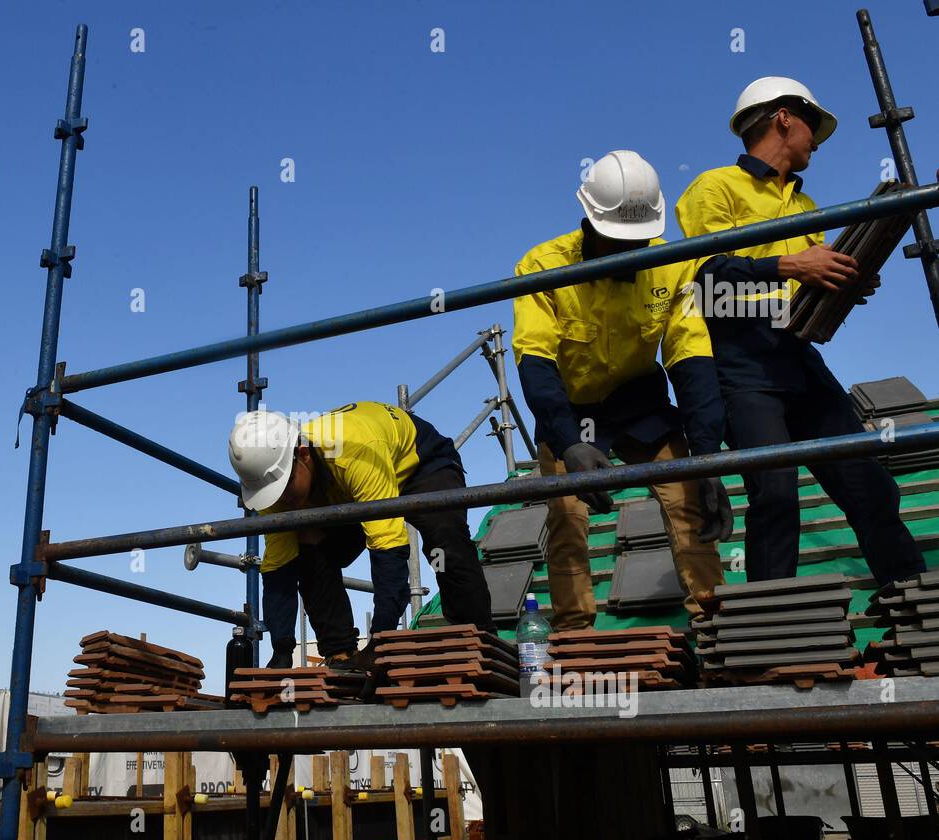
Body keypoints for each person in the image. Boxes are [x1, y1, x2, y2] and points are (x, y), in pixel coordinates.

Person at [675, 77, 925, 585]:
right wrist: (792, 266)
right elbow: (704, 274)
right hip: (742, 362)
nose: (817, 140)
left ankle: (910, 610)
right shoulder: (714, 187)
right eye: (813, 125)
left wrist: (843, 282)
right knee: (775, 494)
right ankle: (774, 640)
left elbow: (802, 282)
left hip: (799, 357)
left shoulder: (806, 208)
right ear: (784, 116)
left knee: (869, 484)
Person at [512, 149, 731, 631]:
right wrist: (569, 443)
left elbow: (690, 361)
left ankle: (715, 627)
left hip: (640, 403)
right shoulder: (541, 265)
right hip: (570, 410)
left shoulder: (671, 265)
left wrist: (709, 457)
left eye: (638, 241)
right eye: (616, 240)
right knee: (567, 520)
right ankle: (576, 636)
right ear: (589, 221)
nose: (627, 252)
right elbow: (535, 360)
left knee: (687, 502)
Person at [228, 402, 494, 670]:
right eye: (273, 494)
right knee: (309, 544)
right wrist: (282, 647)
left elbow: (388, 550)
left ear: (303, 454)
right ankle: (339, 652)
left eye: (284, 490)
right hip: (348, 489)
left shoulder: (355, 451)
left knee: (443, 545)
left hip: (420, 463)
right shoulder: (273, 489)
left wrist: (380, 641)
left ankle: (474, 637)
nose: (281, 500)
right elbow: (279, 569)